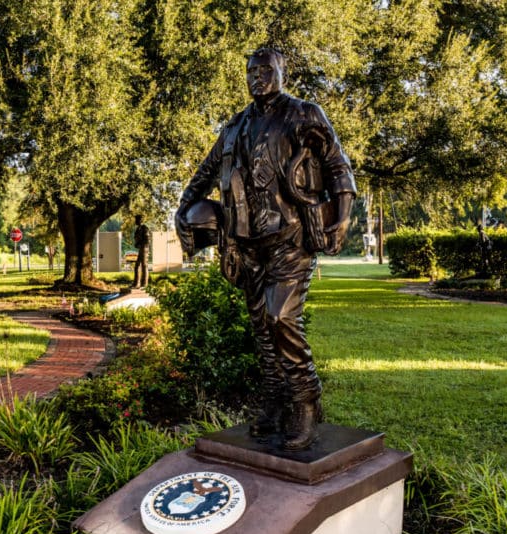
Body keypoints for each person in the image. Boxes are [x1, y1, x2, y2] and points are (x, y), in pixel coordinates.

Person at [176, 47, 356, 450]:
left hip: (291, 236)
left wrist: (341, 215)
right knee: (261, 329)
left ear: (282, 72)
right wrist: (183, 208)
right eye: (252, 72)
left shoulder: (304, 113)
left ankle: (305, 402)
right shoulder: (235, 126)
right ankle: (275, 401)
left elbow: (337, 165)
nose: (258, 78)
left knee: (281, 319)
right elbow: (204, 174)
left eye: (265, 70)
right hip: (245, 243)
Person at [132, 215, 149, 288]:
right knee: (137, 266)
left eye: (137, 220)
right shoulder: (138, 229)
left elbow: (147, 239)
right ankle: (136, 283)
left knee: (144, 265)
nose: (135, 221)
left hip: (144, 248)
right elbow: (136, 238)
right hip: (141, 248)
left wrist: (141, 245)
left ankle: (144, 284)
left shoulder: (144, 228)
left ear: (140, 220)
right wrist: (137, 244)